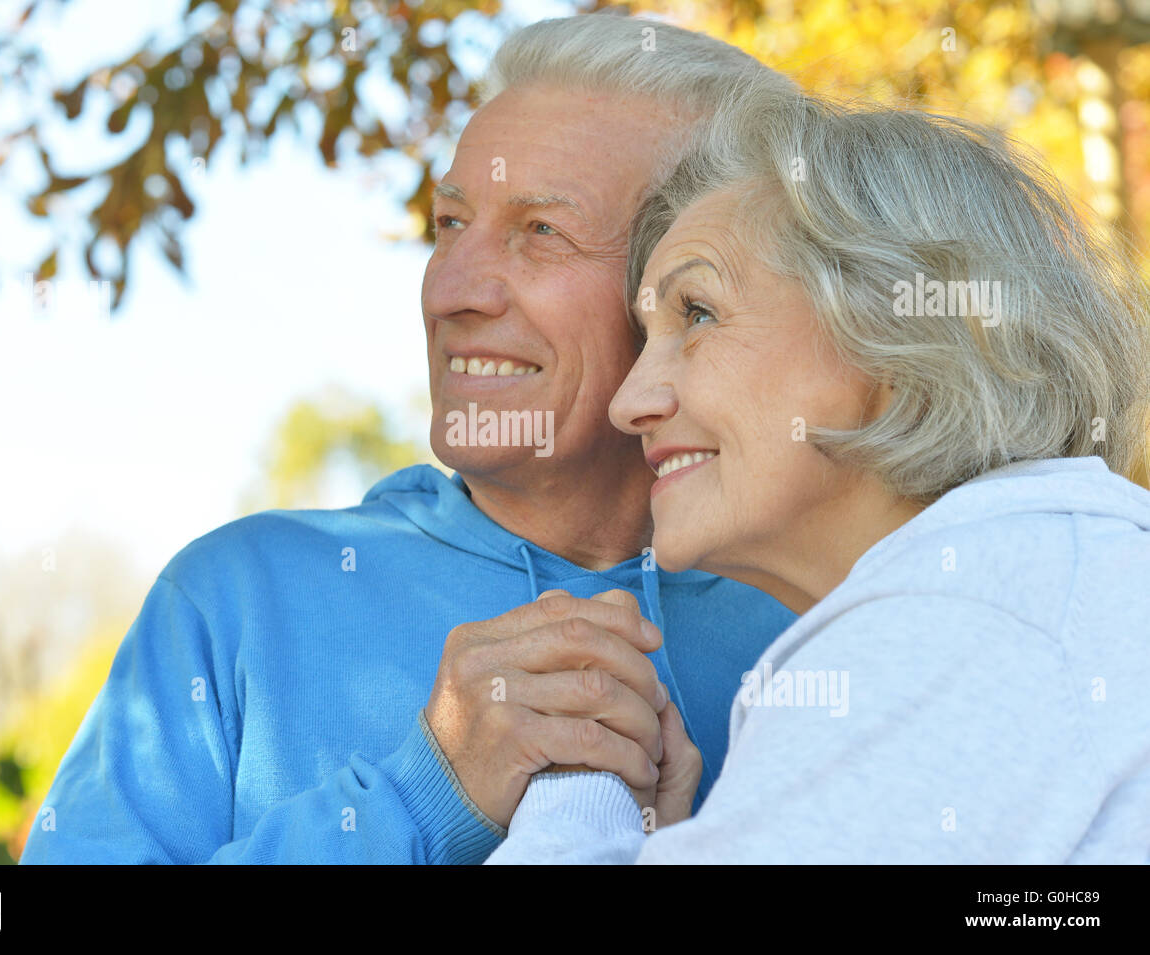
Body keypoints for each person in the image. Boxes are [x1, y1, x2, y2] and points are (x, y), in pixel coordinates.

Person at [18, 14, 798, 865]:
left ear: (695, 295)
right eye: (449, 223)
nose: (451, 290)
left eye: (541, 231)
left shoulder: (824, 620)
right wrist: (423, 796)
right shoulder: (233, 598)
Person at [486, 84, 1150, 864]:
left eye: (696, 313)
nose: (630, 402)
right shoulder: (1039, 576)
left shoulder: (955, 617)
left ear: (905, 330)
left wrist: (577, 789)